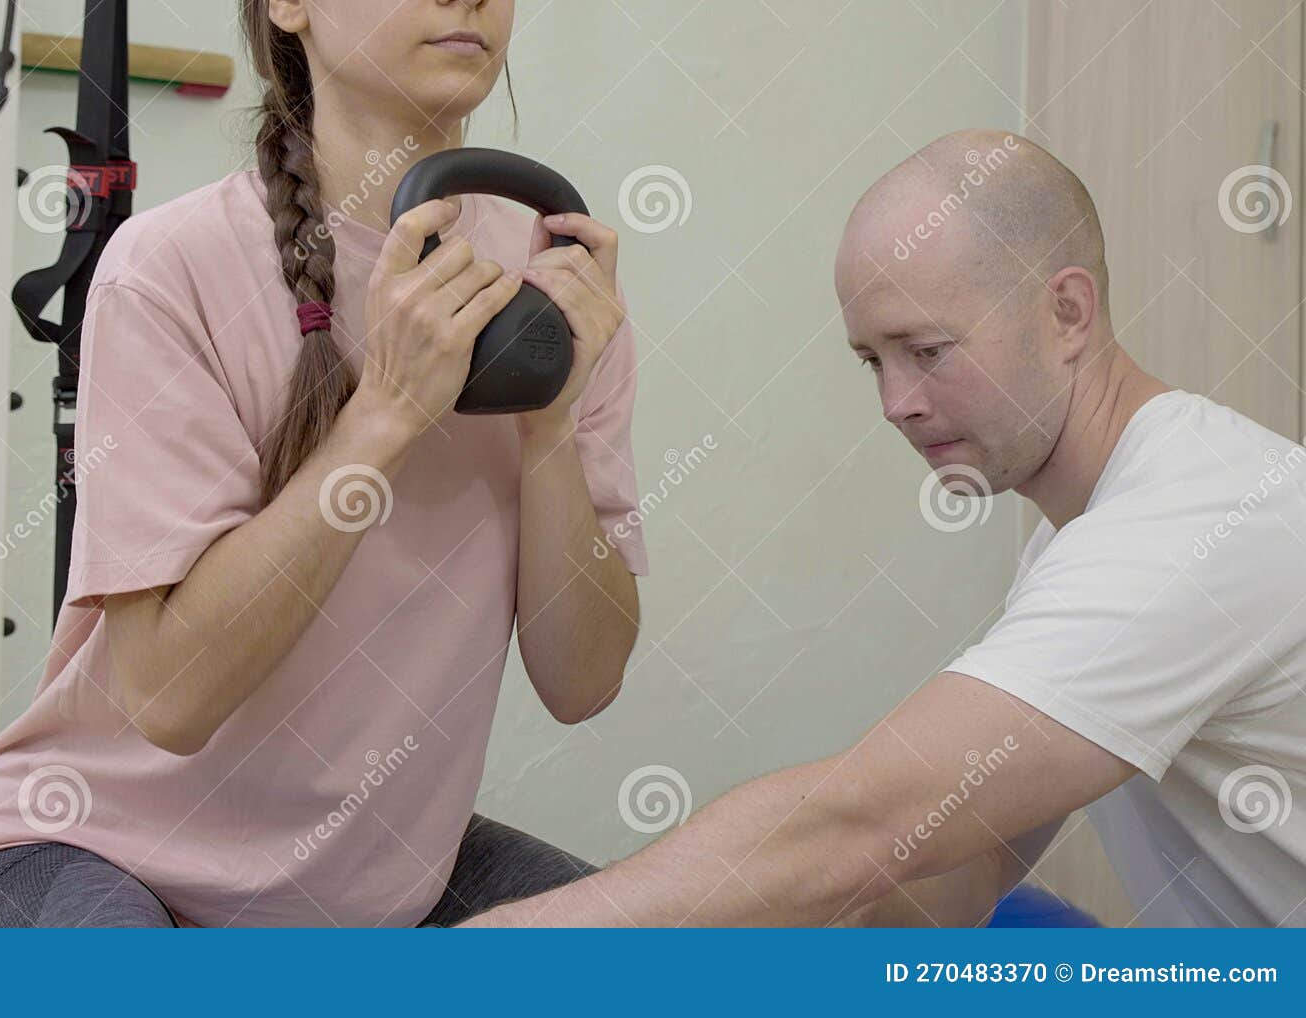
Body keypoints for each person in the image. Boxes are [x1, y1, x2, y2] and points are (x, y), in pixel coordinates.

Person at [0, 0, 649, 928]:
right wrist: (388, 416)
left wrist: (550, 418)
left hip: (371, 869)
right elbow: (169, 697)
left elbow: (582, 681)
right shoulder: (169, 270)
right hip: (103, 851)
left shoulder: (550, 287)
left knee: (656, 965)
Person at [461, 129, 1306, 928]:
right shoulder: (1083, 535)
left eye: (928, 350)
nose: (895, 403)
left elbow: (860, 825)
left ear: (1069, 313)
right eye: (873, 361)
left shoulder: (1192, 526)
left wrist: (499, 951)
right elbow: (948, 873)